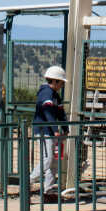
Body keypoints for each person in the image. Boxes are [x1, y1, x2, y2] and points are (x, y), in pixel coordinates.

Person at [30, 65, 68, 203]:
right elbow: (47, 112)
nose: (62, 85)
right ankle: (28, 182)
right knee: (48, 160)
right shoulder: (46, 93)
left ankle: (48, 191)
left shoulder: (55, 95)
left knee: (54, 162)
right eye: (61, 82)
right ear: (55, 81)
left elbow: (60, 112)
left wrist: (65, 128)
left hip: (51, 131)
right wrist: (56, 129)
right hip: (45, 130)